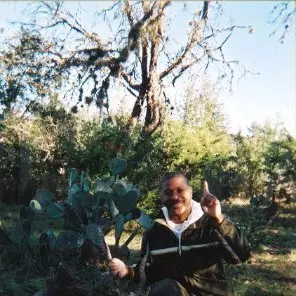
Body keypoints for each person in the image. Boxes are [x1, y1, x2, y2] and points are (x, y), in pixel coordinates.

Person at [109, 173, 251, 296]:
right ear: (162, 197)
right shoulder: (154, 230)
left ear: (191, 191)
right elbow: (147, 273)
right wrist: (127, 271)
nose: (175, 197)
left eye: (180, 190)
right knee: (165, 288)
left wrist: (219, 219)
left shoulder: (210, 223)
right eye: (168, 192)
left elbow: (241, 256)